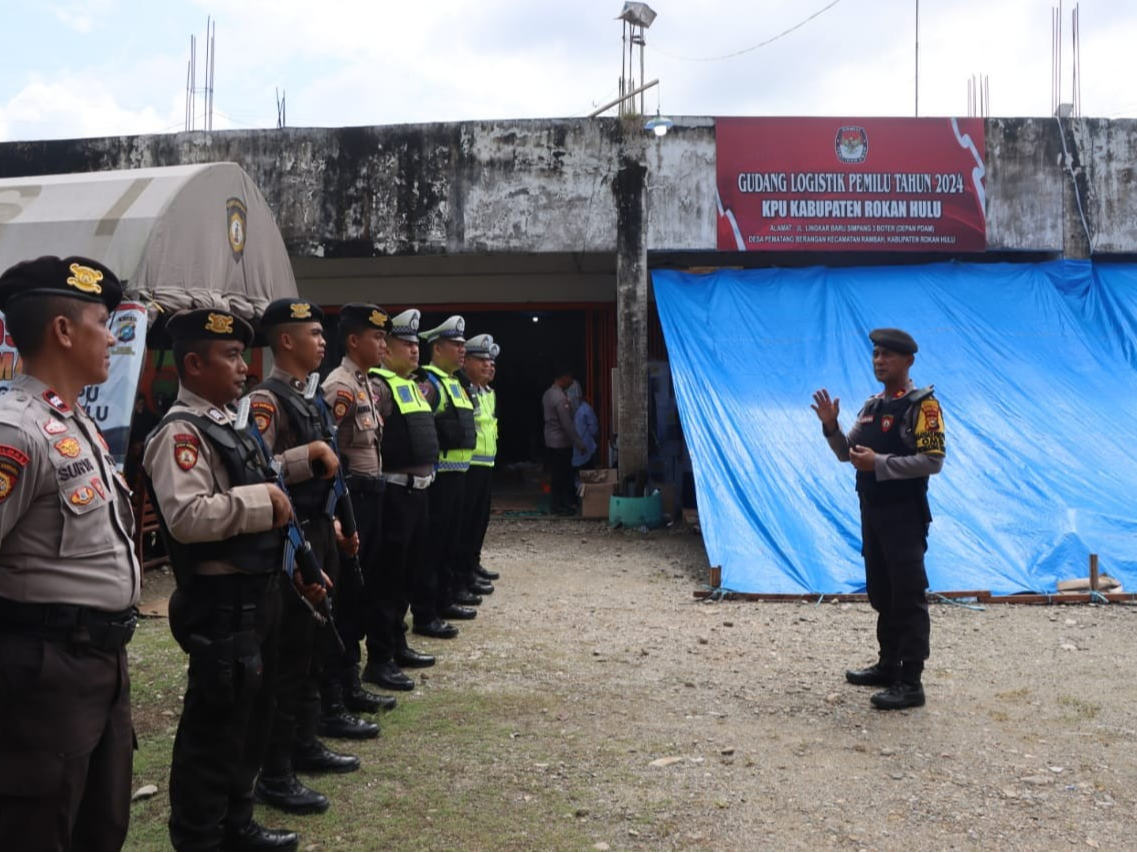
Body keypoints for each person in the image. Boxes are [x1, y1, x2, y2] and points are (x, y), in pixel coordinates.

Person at [142, 308, 302, 852]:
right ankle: (199, 837)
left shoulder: (231, 421)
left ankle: (238, 823)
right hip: (221, 603)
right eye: (230, 355)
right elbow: (187, 518)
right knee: (213, 732)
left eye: (242, 353)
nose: (243, 366)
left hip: (260, 595)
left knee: (252, 722)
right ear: (193, 362)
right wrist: (263, 502)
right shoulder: (179, 434)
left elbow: (272, 474)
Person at [0, 256, 141, 852]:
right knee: (40, 829)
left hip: (98, 668)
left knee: (99, 826)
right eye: (103, 321)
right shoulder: (16, 429)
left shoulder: (74, 420)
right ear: (62, 330)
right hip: (45, 674)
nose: (113, 336)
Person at [250, 299, 372, 819]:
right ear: (285, 341)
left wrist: (339, 522)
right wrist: (306, 460)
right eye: (313, 333)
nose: (323, 342)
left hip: (322, 529)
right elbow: (256, 466)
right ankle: (275, 771)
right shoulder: (266, 400)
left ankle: (307, 739)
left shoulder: (311, 399)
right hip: (289, 542)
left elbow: (332, 469)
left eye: (324, 334)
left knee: (316, 643)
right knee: (289, 653)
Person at [811, 327, 946, 711]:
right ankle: (888, 665)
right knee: (882, 591)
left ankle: (911, 681)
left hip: (905, 513)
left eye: (887, 355)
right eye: (875, 355)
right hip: (872, 510)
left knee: (908, 593)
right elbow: (845, 453)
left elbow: (932, 461)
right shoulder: (871, 407)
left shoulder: (924, 406)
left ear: (908, 361)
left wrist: (879, 464)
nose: (879, 361)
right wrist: (831, 426)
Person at [320, 304, 399, 710]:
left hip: (372, 495)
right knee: (349, 592)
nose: (384, 344)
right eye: (377, 337)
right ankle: (342, 683)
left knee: (366, 586)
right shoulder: (341, 386)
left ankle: (353, 677)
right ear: (353, 340)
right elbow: (328, 453)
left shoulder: (365, 382)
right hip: (352, 498)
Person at [365, 309, 446, 684]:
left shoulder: (412, 384)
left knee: (408, 573)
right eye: (405, 344)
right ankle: (379, 658)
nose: (414, 351)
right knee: (388, 577)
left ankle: (398, 643)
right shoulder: (378, 387)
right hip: (393, 495)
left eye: (416, 344)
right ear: (385, 349)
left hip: (420, 495)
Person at [411, 315, 479, 633]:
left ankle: (446, 597)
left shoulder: (456, 382)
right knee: (433, 546)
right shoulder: (429, 384)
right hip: (440, 477)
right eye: (456, 344)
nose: (462, 350)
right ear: (437, 349)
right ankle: (427, 610)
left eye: (464, 344)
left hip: (461, 473)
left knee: (452, 542)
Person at [456, 333, 499, 599]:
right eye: (482, 360)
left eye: (491, 361)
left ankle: (473, 563)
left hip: (486, 464)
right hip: (469, 465)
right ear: (466, 362)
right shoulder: (463, 390)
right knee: (466, 524)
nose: (488, 365)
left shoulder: (489, 393)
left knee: (480, 521)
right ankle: (464, 572)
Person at [542, 369, 586, 515]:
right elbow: (567, 425)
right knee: (562, 476)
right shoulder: (560, 398)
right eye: (570, 378)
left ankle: (557, 505)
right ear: (563, 377)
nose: (572, 382)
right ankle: (560, 506)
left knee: (556, 475)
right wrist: (580, 444)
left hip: (550, 440)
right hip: (561, 442)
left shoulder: (547, 394)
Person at [569, 382, 599, 471]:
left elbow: (594, 429)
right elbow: (594, 429)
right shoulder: (585, 408)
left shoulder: (583, 409)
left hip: (584, 448)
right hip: (582, 447)